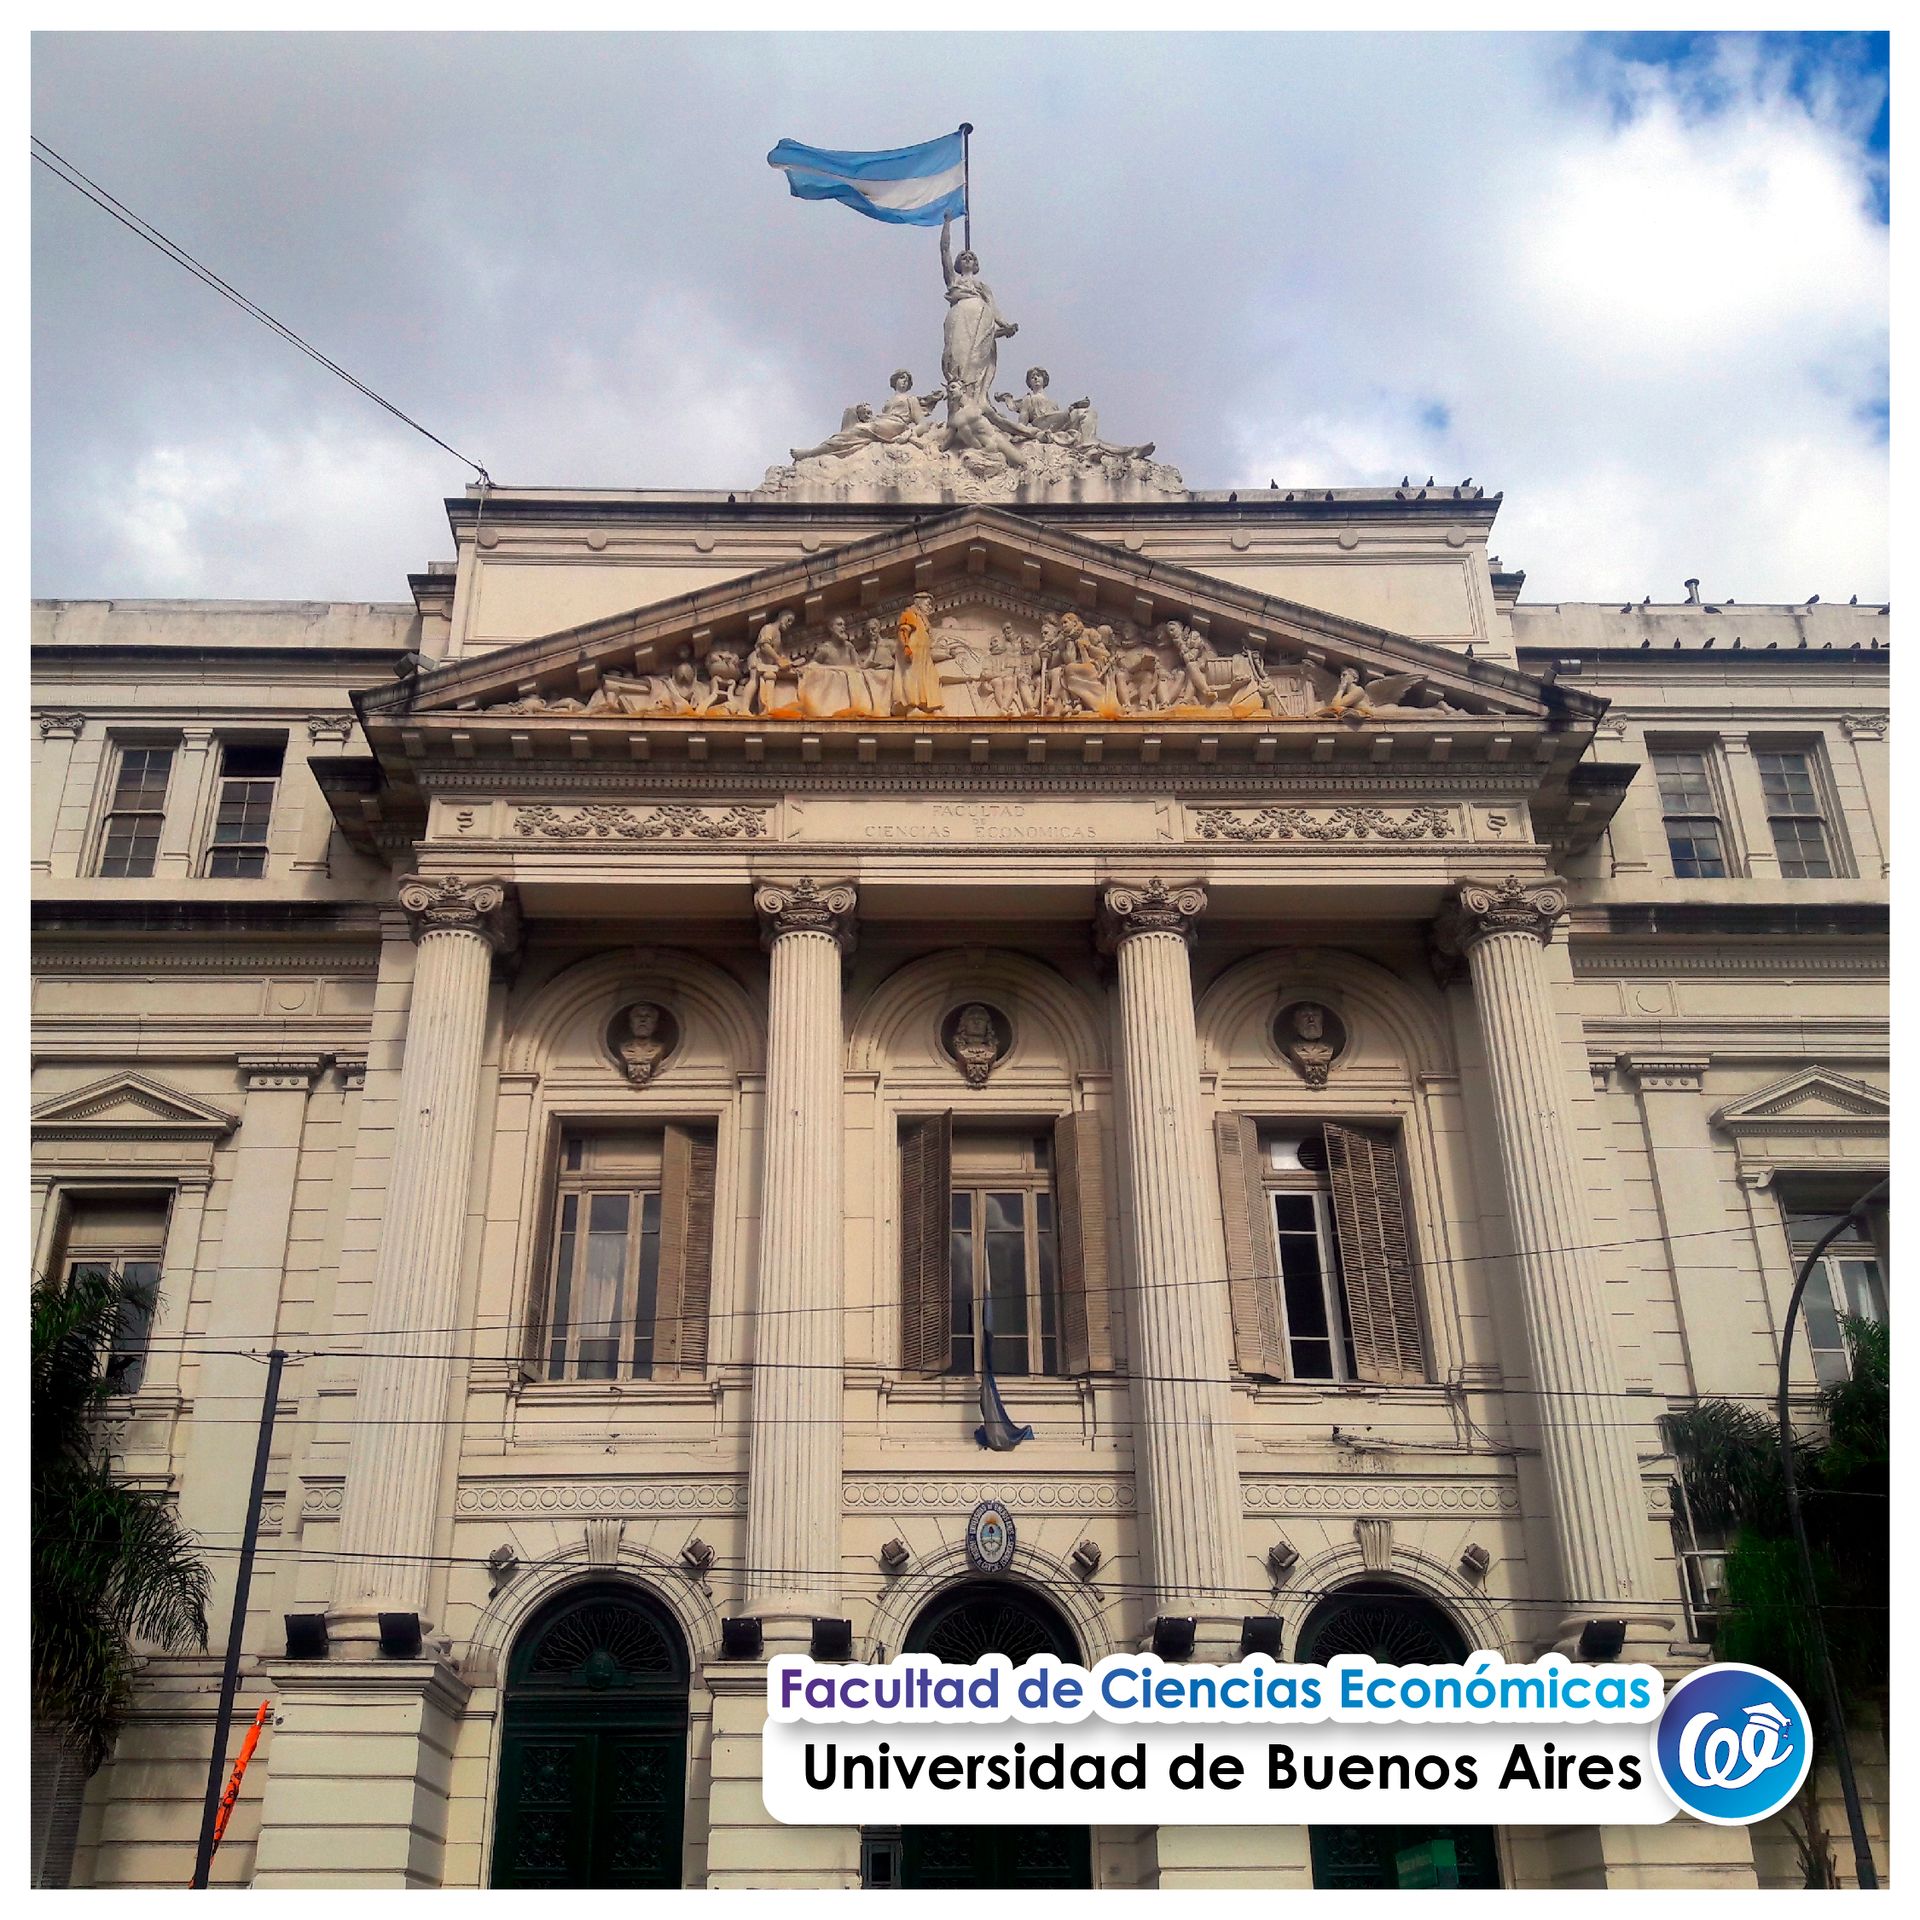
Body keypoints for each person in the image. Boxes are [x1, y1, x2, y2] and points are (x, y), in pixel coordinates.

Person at [939, 213, 1018, 413]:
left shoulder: (983, 287)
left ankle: (975, 403)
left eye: (971, 258)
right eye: (964, 257)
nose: (967, 259)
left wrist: (1005, 325)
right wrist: (947, 223)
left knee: (977, 360)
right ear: (958, 263)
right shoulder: (954, 282)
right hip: (958, 317)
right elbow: (944, 251)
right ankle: (958, 403)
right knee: (957, 357)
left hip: (982, 320)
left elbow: (993, 309)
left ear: (976, 264)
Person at [896, 592, 944, 714]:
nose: (930, 607)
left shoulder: (924, 621)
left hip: (925, 656)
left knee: (931, 677)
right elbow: (903, 632)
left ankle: (931, 706)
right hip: (913, 653)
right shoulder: (910, 614)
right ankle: (912, 707)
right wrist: (906, 647)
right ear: (918, 603)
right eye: (927, 604)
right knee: (912, 677)